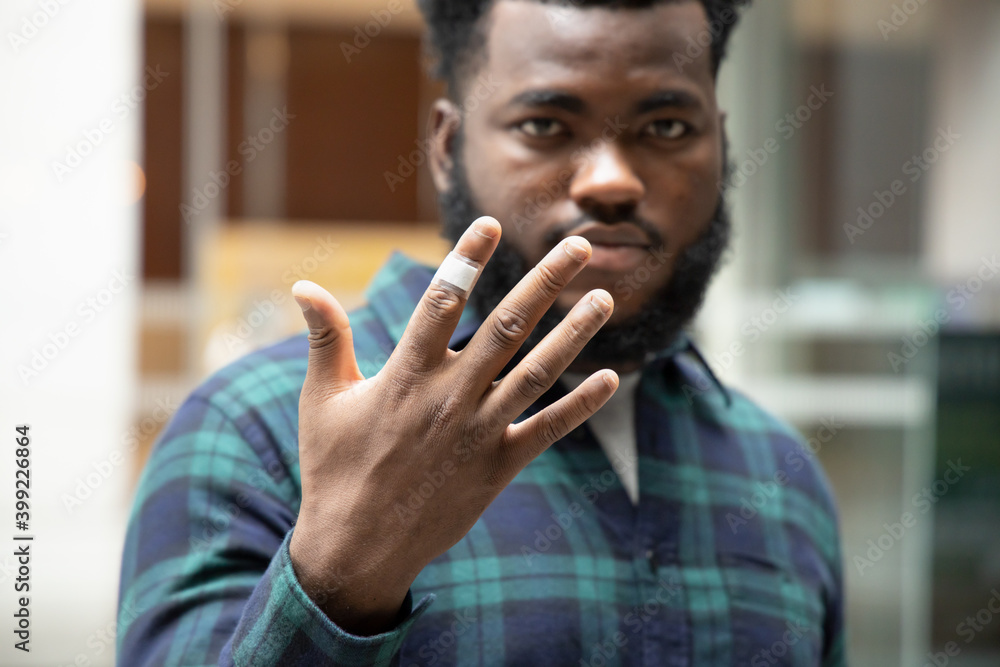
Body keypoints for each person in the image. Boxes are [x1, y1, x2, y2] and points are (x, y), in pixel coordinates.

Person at [117, 0, 845, 664]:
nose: (612, 180)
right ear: (445, 147)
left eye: (666, 127)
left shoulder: (778, 470)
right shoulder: (252, 429)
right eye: (546, 126)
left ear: (718, 145)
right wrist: (343, 577)